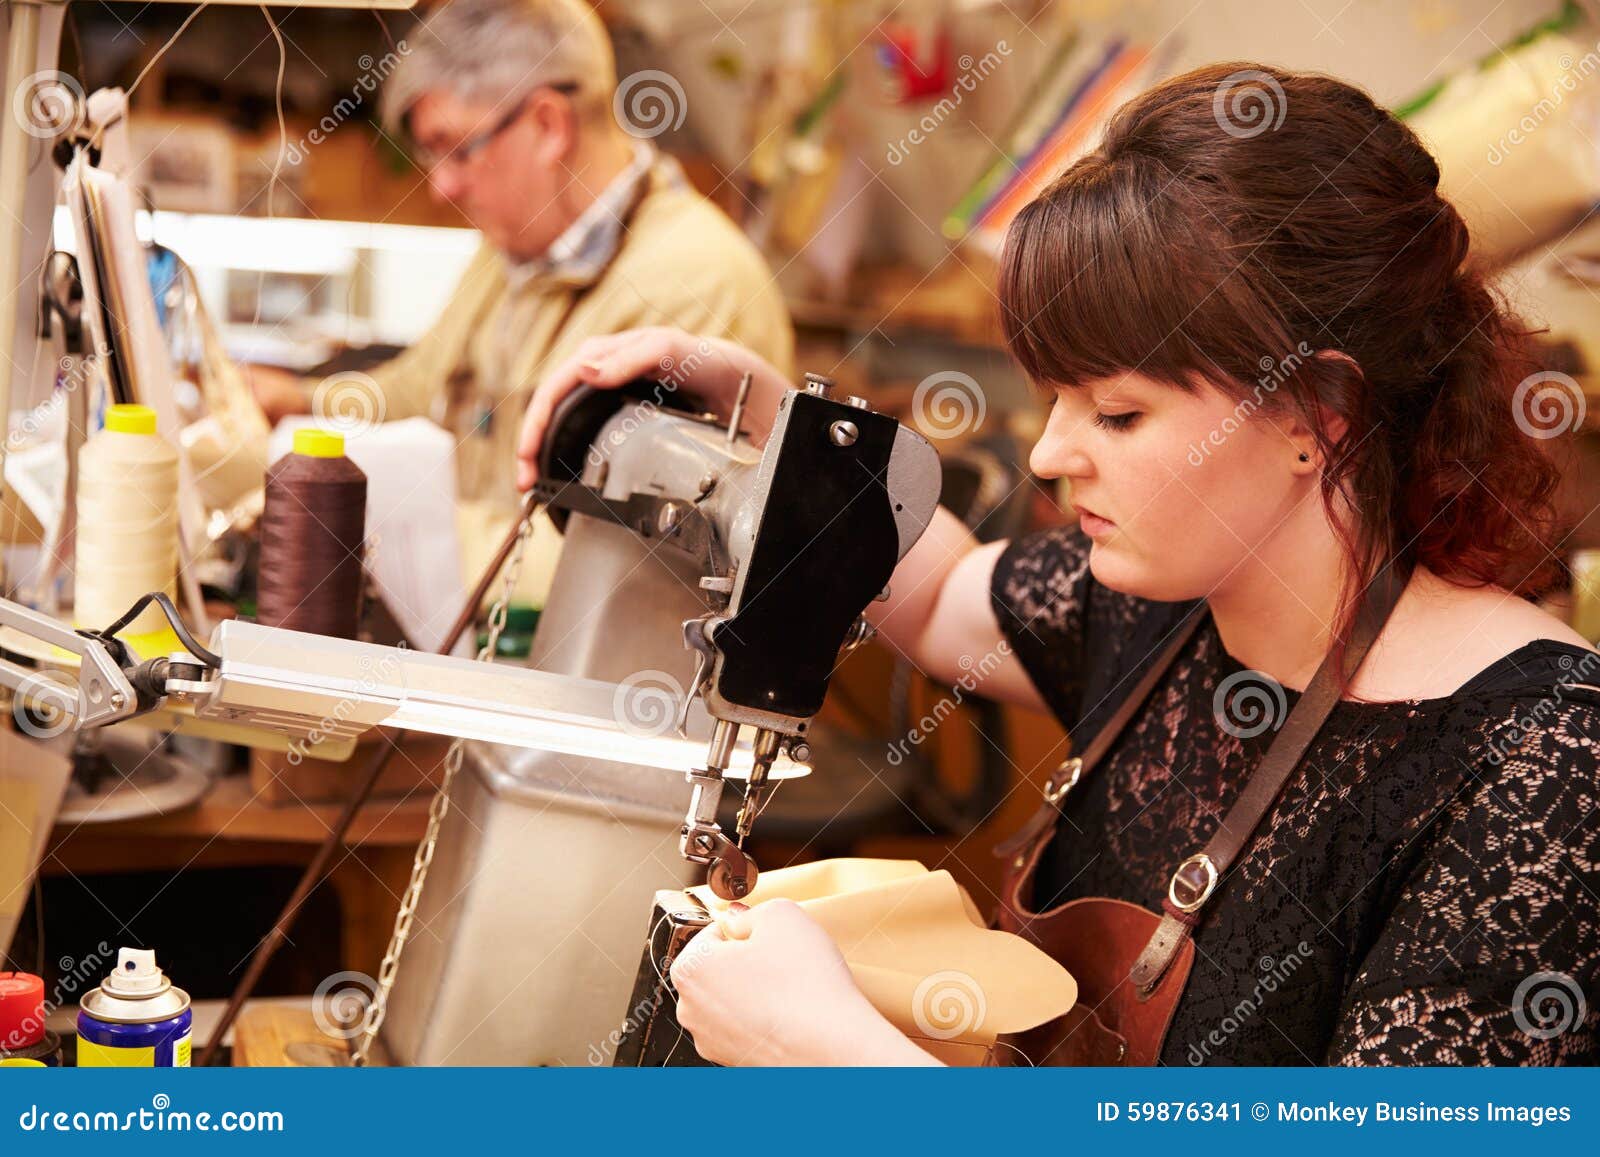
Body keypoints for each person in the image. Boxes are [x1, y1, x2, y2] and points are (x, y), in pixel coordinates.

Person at [516, 64, 1600, 1066]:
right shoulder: (1165, 608)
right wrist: (760, 401)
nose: (1046, 453)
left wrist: (841, 1055)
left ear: (1317, 412)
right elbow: (939, 595)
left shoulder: (1540, 760)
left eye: (1116, 412)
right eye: (1054, 397)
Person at [250, 0, 791, 577]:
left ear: (547, 125)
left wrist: (386, 528)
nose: (441, 185)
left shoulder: (699, 282)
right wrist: (302, 404)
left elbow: (633, 566)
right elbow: (427, 385)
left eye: (456, 148)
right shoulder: (517, 244)